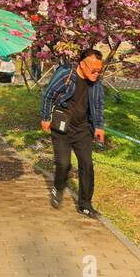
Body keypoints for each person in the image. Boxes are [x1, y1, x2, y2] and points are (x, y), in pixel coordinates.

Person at [40, 48, 106, 218]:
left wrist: (99, 126)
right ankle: (59, 187)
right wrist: (46, 117)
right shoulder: (66, 75)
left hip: (83, 129)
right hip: (62, 127)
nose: (97, 74)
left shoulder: (96, 82)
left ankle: (85, 204)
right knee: (63, 164)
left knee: (87, 165)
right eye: (94, 70)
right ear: (83, 65)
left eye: (100, 70)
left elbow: (98, 104)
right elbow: (48, 95)